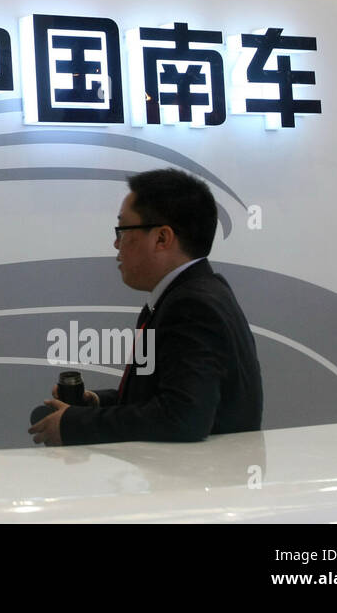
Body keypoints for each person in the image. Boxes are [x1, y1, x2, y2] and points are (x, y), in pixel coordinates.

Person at [29, 168, 263, 446]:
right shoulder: (184, 296)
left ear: (162, 238)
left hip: (198, 484)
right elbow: (157, 401)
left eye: (123, 230)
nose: (116, 243)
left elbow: (183, 418)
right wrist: (94, 404)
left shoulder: (191, 306)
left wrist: (73, 424)